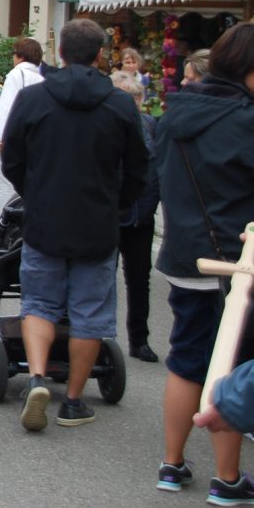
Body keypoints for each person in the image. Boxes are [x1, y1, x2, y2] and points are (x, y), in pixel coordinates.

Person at [1, 18, 148, 432]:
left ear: (60, 53)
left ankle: (35, 378)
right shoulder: (120, 105)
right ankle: (74, 401)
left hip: (45, 218)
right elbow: (138, 168)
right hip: (98, 223)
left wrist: (35, 192)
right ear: (101, 54)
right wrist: (117, 201)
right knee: (89, 312)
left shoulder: (33, 99)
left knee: (39, 303)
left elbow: (13, 158)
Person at [153, 22, 254, 499]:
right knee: (231, 367)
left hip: (184, 253)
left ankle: (171, 465)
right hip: (235, 264)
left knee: (186, 360)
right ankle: (227, 478)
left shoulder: (179, 110)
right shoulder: (245, 119)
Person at [109, 71, 161, 364]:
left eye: (135, 97)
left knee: (140, 279)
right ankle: (103, 339)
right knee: (104, 278)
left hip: (141, 214)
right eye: (125, 97)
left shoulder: (151, 125)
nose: (132, 103)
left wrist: (151, 203)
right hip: (112, 214)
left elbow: (157, 169)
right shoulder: (106, 124)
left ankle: (139, 339)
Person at [0, 37, 44, 215]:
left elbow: (6, 108)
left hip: (10, 139)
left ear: (19, 57)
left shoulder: (16, 75)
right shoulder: (42, 77)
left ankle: (3, 230)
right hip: (32, 140)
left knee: (4, 188)